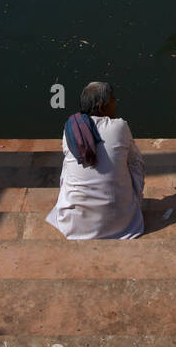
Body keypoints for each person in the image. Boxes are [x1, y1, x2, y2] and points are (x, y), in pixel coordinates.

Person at [45, 81, 144, 240]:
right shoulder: (120, 126)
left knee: (68, 163)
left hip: (74, 223)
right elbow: (135, 162)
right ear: (101, 108)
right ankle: (131, 202)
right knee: (134, 161)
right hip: (122, 222)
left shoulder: (70, 128)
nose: (116, 103)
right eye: (112, 100)